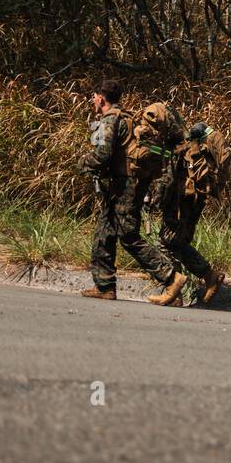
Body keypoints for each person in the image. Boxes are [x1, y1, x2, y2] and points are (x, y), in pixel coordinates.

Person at [80, 79, 185, 306]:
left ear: (101, 98)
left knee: (128, 235)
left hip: (125, 184)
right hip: (125, 183)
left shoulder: (111, 119)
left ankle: (171, 277)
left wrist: (84, 163)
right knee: (104, 233)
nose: (92, 100)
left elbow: (103, 153)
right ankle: (105, 286)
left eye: (94, 96)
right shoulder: (127, 117)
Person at [151, 120, 225, 307]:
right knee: (178, 242)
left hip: (180, 202)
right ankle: (209, 276)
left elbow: (167, 178)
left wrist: (155, 200)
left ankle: (174, 293)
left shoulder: (176, 146)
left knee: (166, 242)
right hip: (195, 200)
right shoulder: (193, 145)